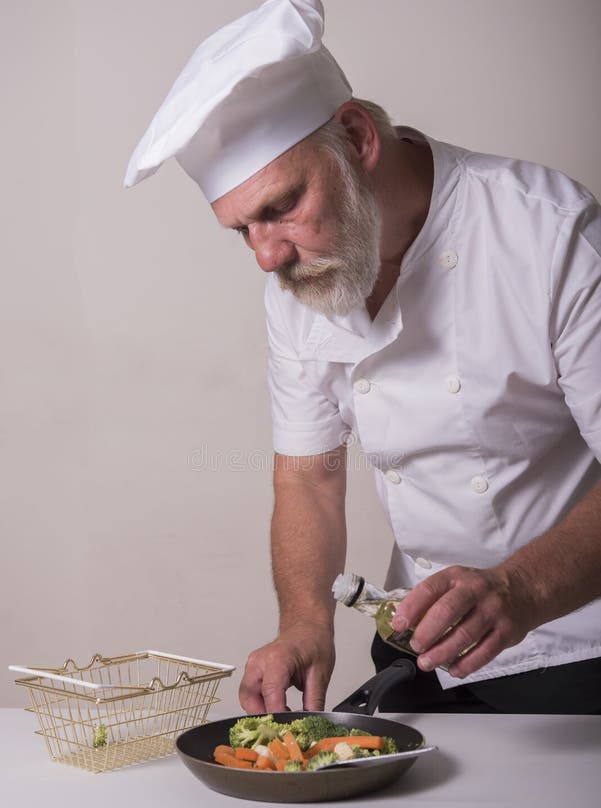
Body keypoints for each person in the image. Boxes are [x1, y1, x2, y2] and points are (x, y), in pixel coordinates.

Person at [125, 0, 601, 714]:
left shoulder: (549, 233)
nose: (265, 256)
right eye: (241, 229)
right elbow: (308, 479)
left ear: (355, 135)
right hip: (420, 642)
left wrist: (518, 589)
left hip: (575, 640)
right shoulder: (302, 278)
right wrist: (306, 623)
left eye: (281, 205)